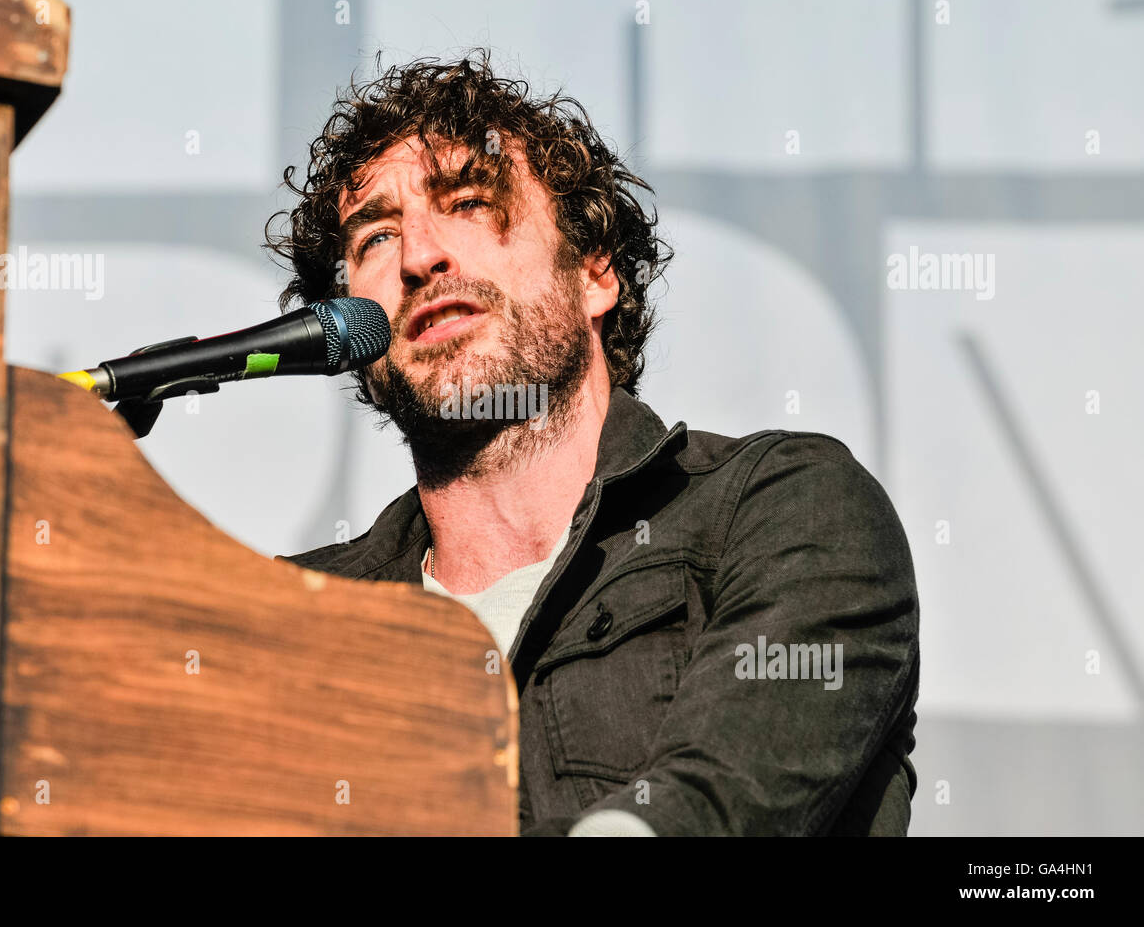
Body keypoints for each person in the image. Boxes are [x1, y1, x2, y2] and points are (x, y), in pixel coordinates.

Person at [268, 51, 920, 836]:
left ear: (595, 272)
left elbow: (705, 807)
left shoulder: (784, 507)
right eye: (375, 236)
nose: (418, 257)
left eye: (469, 201)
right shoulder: (284, 619)